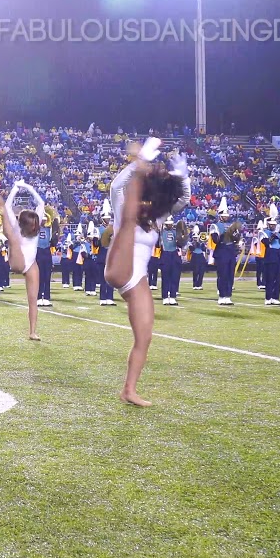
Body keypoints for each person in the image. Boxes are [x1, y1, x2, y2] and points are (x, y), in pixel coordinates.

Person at [103, 138, 191, 407]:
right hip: (118, 266)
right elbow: (117, 186)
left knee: (145, 336)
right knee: (128, 220)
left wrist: (181, 175)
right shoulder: (124, 207)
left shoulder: (159, 217)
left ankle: (129, 390)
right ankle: (139, 162)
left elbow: (184, 199)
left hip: (136, 279)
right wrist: (139, 164)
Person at [0, 179, 46, 341]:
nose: (35, 227)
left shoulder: (34, 224)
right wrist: (19, 188)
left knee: (33, 300)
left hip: (31, 264)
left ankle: (32, 332)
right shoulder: (17, 225)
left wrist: (22, 187)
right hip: (17, 261)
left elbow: (40, 204)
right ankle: (4, 221)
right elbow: (10, 205)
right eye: (32, 225)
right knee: (12, 237)